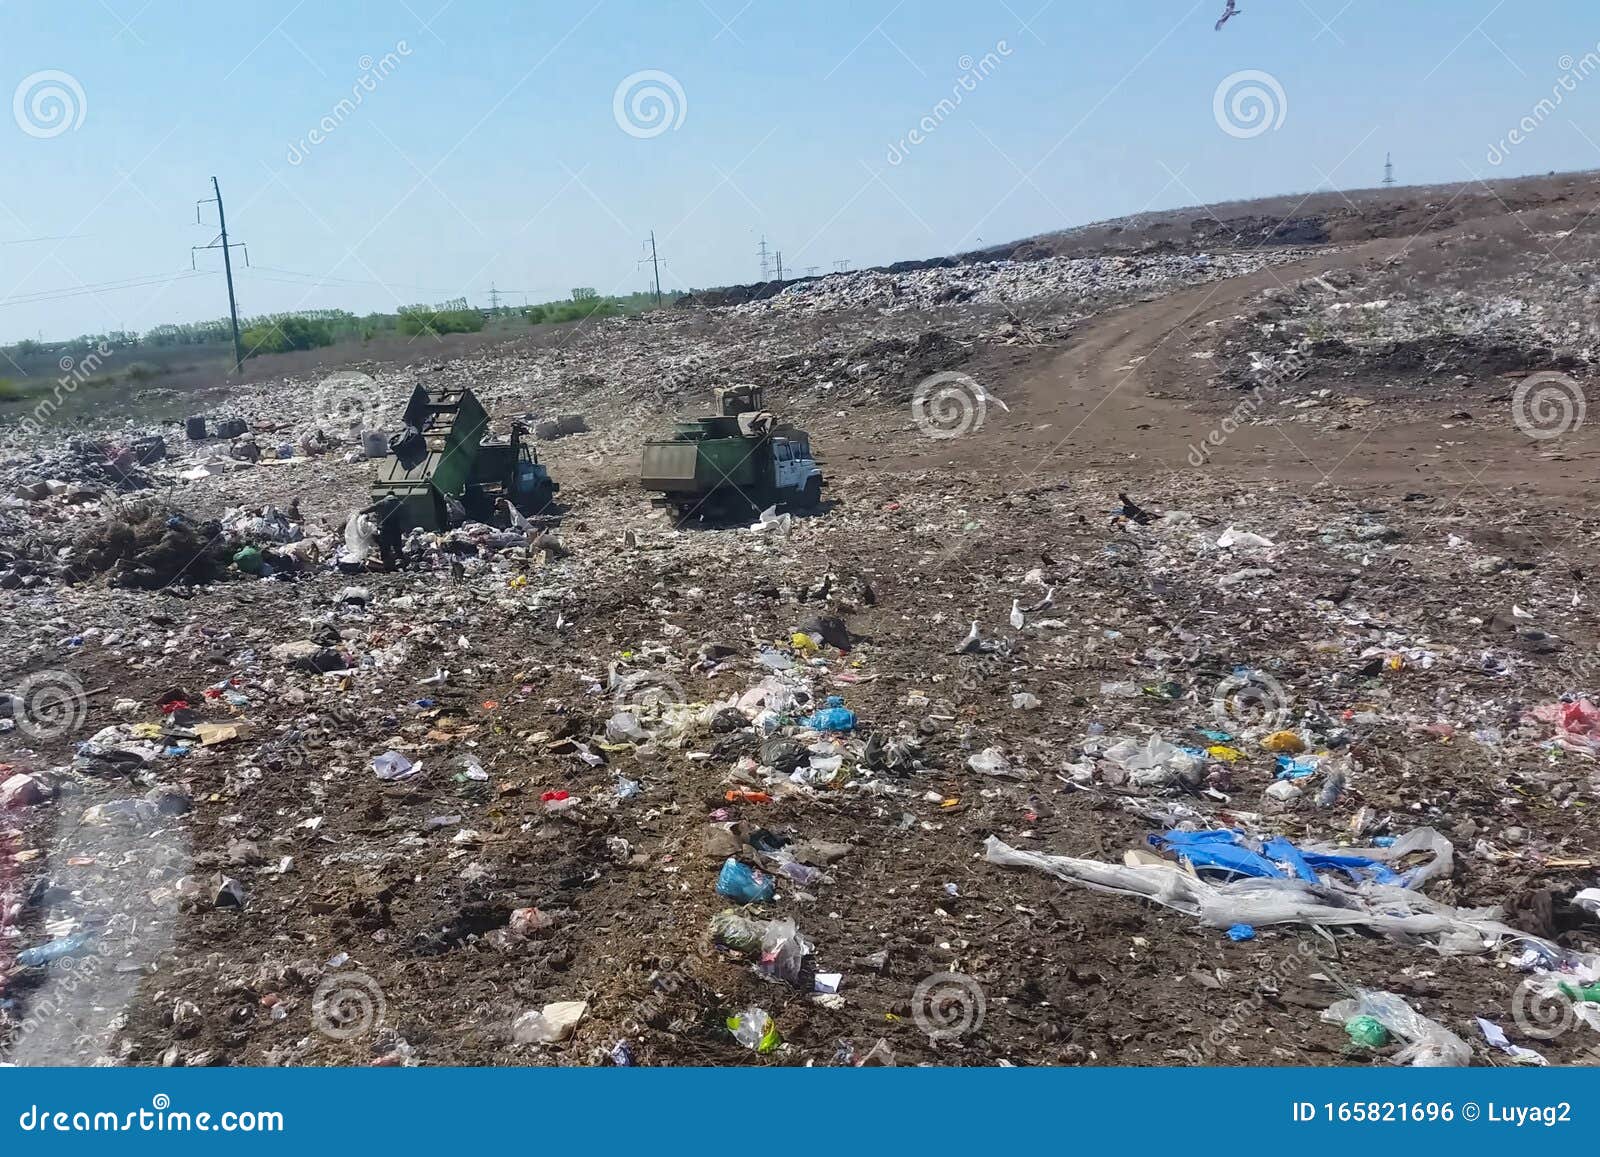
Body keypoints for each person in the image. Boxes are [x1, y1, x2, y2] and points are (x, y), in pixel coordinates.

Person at [359, 493, 407, 571]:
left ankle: (385, 566)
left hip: (385, 529)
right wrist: (403, 528)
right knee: (397, 547)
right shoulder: (400, 504)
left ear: (387, 496)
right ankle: (400, 565)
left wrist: (361, 511)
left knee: (385, 548)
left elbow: (371, 508)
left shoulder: (382, 502)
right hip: (396, 529)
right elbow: (405, 517)